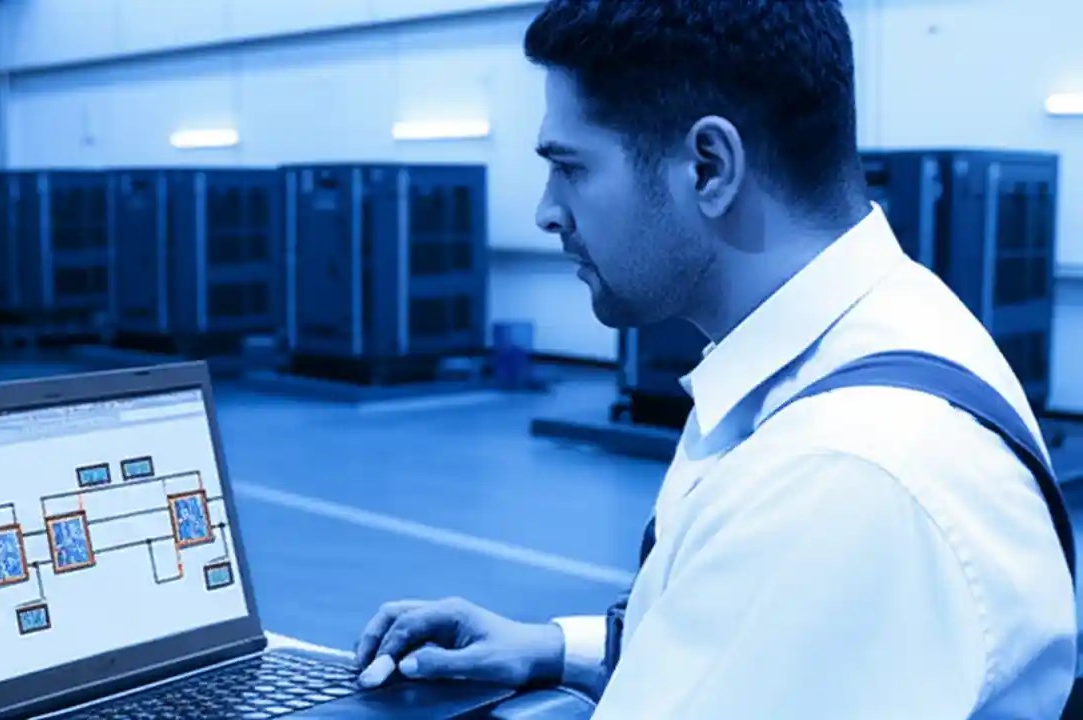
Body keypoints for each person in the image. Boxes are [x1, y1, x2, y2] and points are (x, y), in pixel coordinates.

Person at [352, 0, 1078, 717]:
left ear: (708, 167)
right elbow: (766, 646)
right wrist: (555, 647)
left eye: (570, 168)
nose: (547, 211)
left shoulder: (840, 477)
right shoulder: (869, 335)